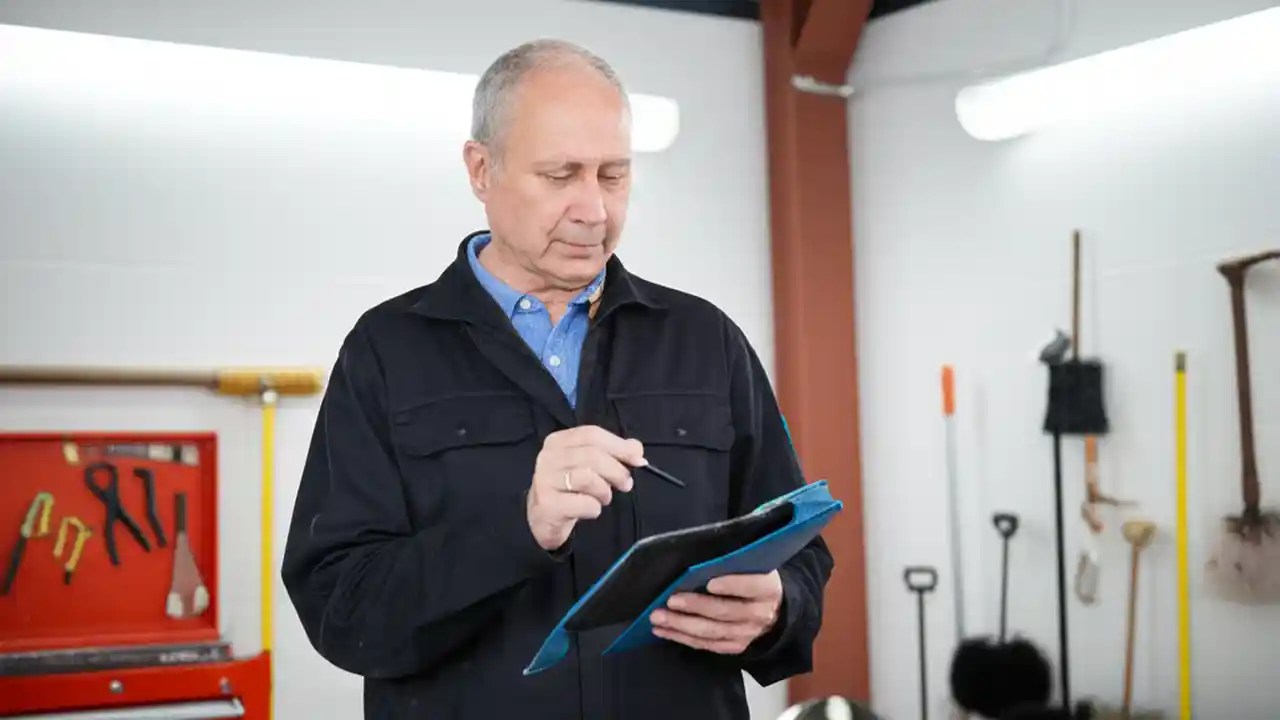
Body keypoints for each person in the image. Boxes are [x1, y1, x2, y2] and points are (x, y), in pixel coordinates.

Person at [281, 38, 834, 720]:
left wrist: (781, 605)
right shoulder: (386, 352)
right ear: (481, 170)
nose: (594, 210)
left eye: (613, 175)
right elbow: (341, 605)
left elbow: (800, 547)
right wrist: (521, 527)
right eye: (560, 174)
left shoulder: (705, 341)